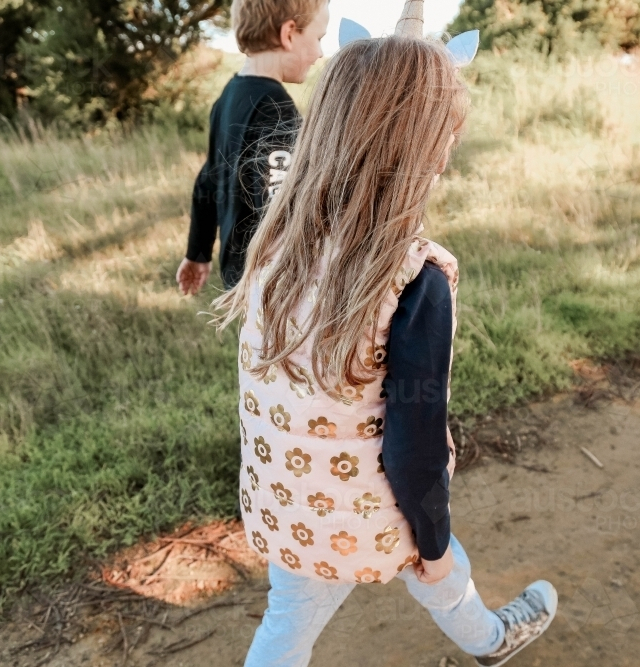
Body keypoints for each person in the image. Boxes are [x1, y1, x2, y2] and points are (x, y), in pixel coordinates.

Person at [211, 7, 558, 665]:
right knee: (439, 566)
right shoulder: (414, 279)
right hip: (369, 511)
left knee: (288, 620)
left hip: (287, 498)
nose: (450, 149)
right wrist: (432, 541)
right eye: (447, 133)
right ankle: (491, 638)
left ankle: (488, 636)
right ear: (423, 147)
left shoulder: (275, 248)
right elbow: (413, 446)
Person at [177, 0, 329, 294]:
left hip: (240, 274)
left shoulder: (229, 94)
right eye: (318, 38)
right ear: (288, 34)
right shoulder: (277, 111)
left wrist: (198, 252)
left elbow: (208, 179)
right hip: (270, 283)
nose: (320, 53)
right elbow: (281, 208)